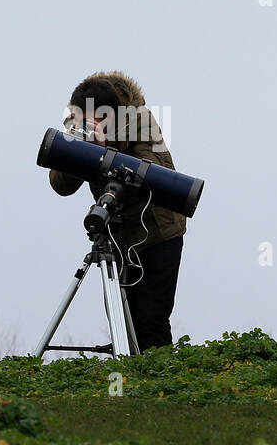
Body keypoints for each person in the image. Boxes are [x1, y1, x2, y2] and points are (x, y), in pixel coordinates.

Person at [48, 72, 185, 350]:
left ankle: (163, 383)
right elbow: (60, 185)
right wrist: (77, 149)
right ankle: (128, 378)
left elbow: (151, 176)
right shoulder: (78, 126)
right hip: (116, 235)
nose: (87, 125)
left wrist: (105, 148)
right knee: (122, 322)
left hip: (158, 233)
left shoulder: (141, 121)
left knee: (150, 320)